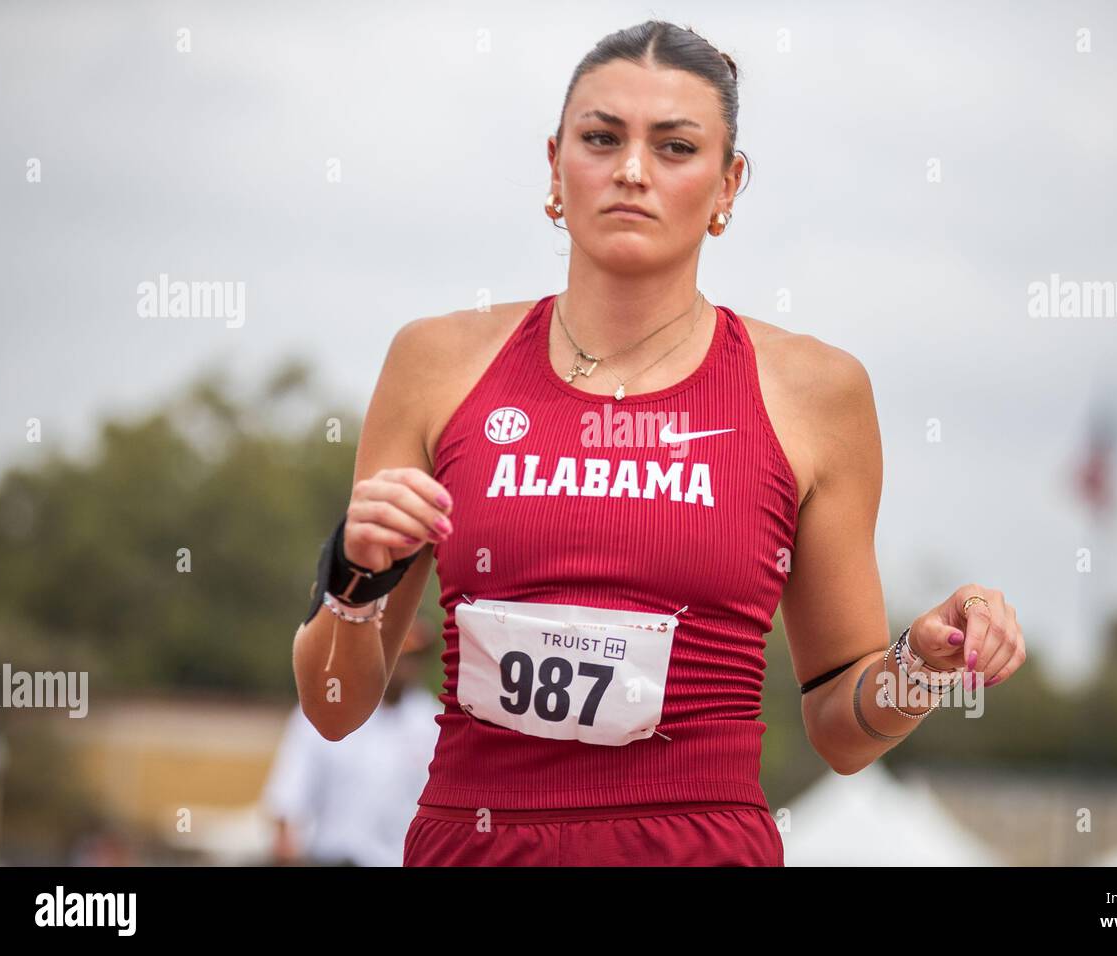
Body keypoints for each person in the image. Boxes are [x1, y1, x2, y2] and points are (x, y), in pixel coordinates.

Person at [291, 20, 1027, 867]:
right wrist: (352, 581)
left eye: (675, 147)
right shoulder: (435, 363)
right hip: (477, 847)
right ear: (555, 166)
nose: (632, 171)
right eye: (601, 139)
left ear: (728, 185)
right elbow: (337, 707)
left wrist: (922, 664)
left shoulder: (815, 393)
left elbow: (841, 731)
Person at [264, 619, 441, 866]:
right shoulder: (325, 711)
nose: (406, 666)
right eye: (399, 654)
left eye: (415, 657)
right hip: (326, 858)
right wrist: (287, 846)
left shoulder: (433, 724)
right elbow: (288, 797)